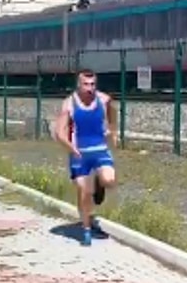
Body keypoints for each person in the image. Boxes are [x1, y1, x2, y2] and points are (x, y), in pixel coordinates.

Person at [53, 69, 118, 246]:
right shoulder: (69, 104)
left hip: (99, 149)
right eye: (86, 84)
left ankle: (99, 183)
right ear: (78, 85)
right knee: (84, 192)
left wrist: (113, 132)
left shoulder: (103, 99)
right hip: (80, 153)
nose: (90, 88)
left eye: (93, 84)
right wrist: (71, 148)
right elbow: (59, 133)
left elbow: (113, 114)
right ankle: (87, 229)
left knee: (109, 180)